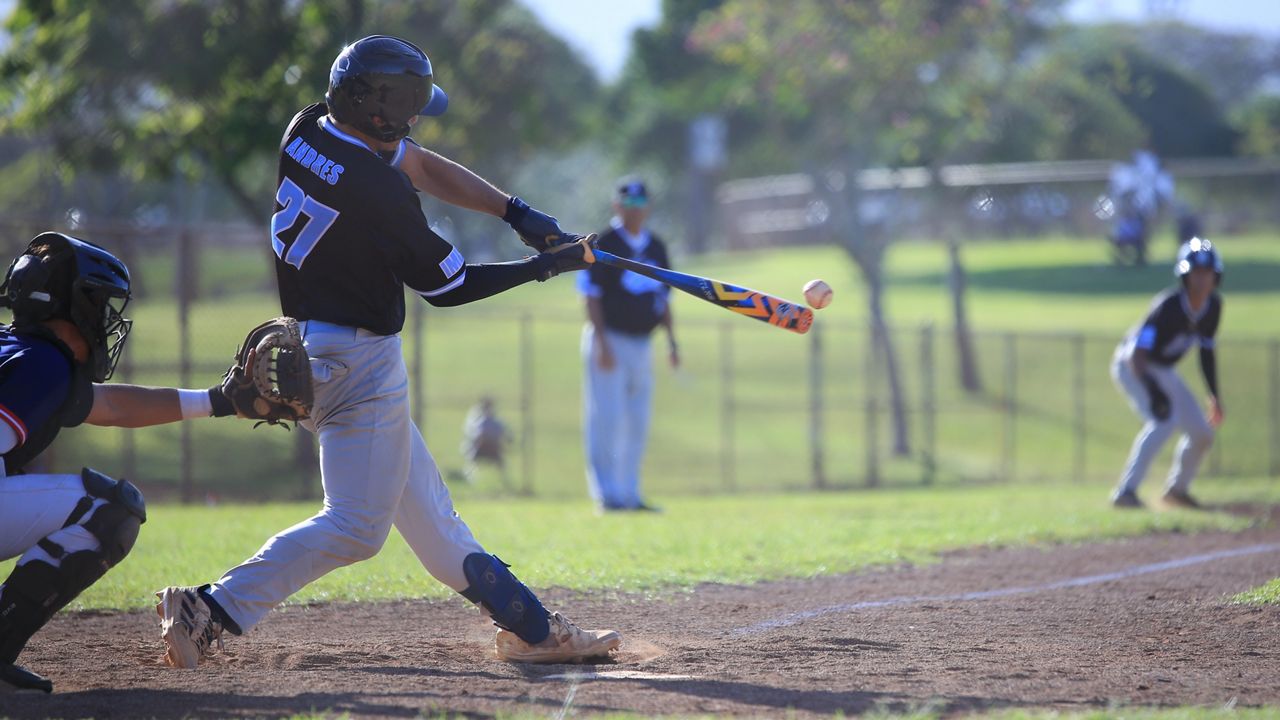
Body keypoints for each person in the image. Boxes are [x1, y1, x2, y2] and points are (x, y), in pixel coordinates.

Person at [155, 35, 619, 668]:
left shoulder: (309, 127)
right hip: (359, 364)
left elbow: (424, 166)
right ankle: (210, 607)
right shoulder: (376, 189)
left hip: (310, 351)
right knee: (355, 527)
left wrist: (517, 212)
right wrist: (544, 267)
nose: (419, 118)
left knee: (435, 528)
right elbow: (451, 288)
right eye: (411, 107)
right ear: (378, 111)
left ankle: (536, 632)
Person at [0, 232, 241, 692]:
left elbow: (114, 407)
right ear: (69, 305)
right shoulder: (43, 364)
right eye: (97, 303)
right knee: (109, 510)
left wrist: (219, 400)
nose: (105, 318)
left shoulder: (22, 353)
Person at [578, 178, 678, 513]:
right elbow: (590, 295)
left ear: (647, 207)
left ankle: (630, 492)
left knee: (637, 420)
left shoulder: (657, 248)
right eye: (628, 205)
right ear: (617, 206)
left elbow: (664, 298)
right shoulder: (605, 243)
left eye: (640, 205)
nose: (634, 211)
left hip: (641, 342)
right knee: (606, 417)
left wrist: (672, 342)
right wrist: (602, 342)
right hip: (609, 338)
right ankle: (607, 495)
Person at [1110, 237, 1224, 510]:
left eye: (1207, 274)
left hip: (1161, 369)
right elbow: (1138, 354)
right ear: (1185, 275)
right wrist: (1153, 390)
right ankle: (1126, 492)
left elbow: (1206, 353)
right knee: (1163, 421)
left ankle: (1177, 490)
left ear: (1216, 276)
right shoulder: (1168, 306)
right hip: (1133, 366)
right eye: (1196, 273)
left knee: (1202, 432)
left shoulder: (1213, 307)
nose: (1201, 280)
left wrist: (1214, 396)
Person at [460, 396, 512, 488]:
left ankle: (506, 484)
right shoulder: (475, 418)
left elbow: (505, 434)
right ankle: (468, 482)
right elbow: (473, 435)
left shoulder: (496, 420)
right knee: (471, 464)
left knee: (501, 464)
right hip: (479, 448)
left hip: (492, 449)